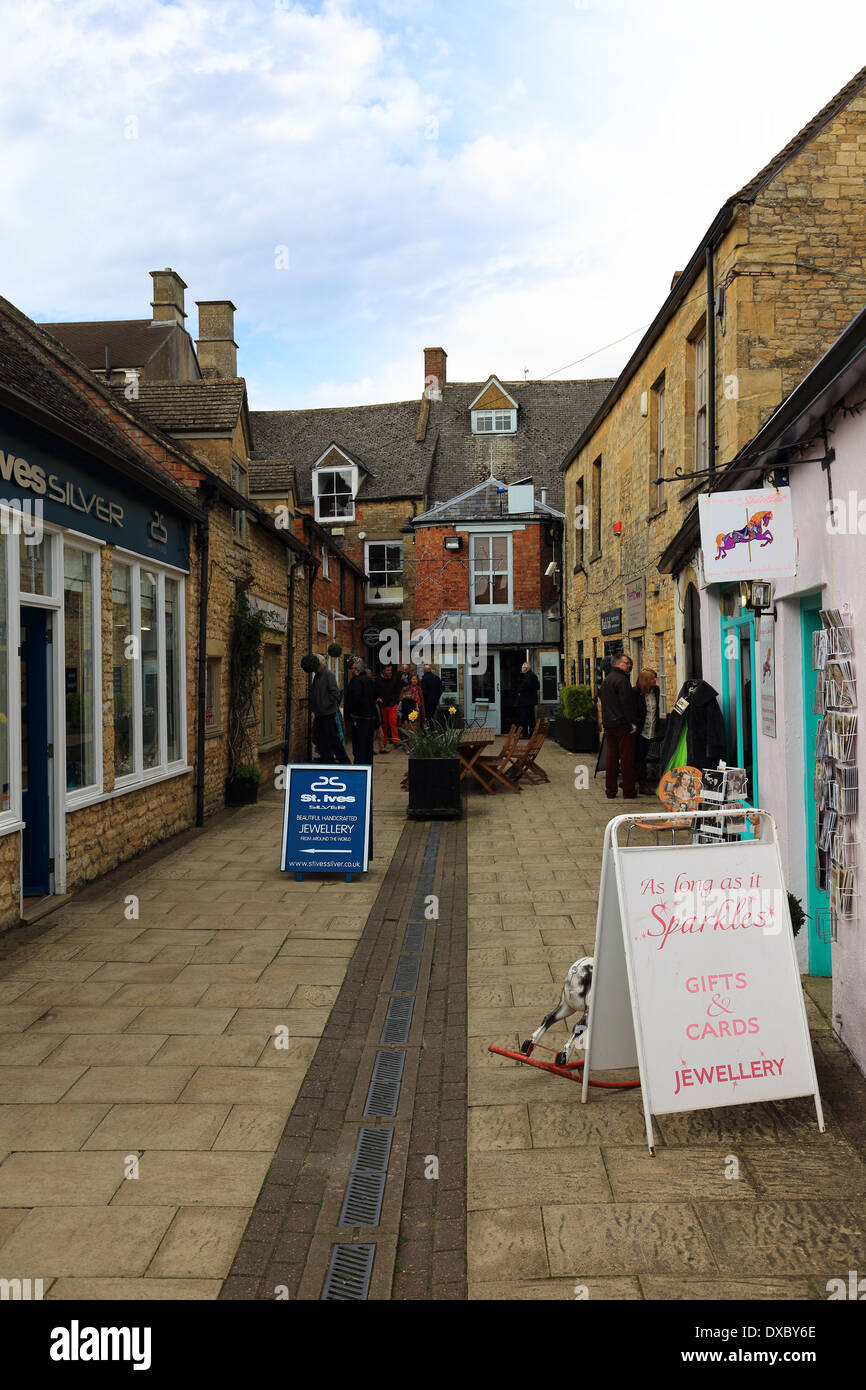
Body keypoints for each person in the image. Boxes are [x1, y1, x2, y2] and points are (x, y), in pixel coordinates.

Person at [599, 652, 637, 799]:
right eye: (627, 663)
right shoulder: (622, 680)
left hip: (609, 723)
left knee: (611, 757)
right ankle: (628, 790)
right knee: (626, 758)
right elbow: (626, 704)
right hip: (622, 724)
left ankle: (610, 790)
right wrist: (631, 723)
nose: (629, 666)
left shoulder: (606, 680)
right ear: (619, 664)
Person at [310, 655, 347, 763]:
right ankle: (327, 760)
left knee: (333, 738)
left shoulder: (328, 674)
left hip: (328, 713)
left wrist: (325, 705)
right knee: (322, 739)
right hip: (320, 714)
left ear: (320, 664)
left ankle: (344, 761)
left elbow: (335, 693)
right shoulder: (317, 676)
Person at [344, 658, 378, 765]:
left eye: (352, 669)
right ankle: (368, 763)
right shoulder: (370, 680)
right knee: (368, 743)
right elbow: (375, 696)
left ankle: (360, 764)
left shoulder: (356, 681)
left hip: (360, 717)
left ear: (356, 670)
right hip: (370, 716)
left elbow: (355, 697)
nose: (352, 671)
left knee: (359, 743)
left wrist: (352, 712)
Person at [633, 668, 659, 795]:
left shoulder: (656, 691)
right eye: (653, 678)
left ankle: (637, 780)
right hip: (640, 730)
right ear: (646, 680)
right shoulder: (635, 693)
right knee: (639, 757)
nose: (655, 680)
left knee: (643, 755)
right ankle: (642, 784)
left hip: (652, 729)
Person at [375, 662, 402, 751]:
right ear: (383, 671)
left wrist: (396, 701)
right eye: (387, 670)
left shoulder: (394, 679)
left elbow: (398, 691)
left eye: (390, 670)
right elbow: (375, 691)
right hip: (382, 705)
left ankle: (395, 741)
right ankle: (384, 742)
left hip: (392, 704)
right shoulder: (378, 680)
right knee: (384, 725)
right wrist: (377, 698)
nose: (389, 672)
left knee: (393, 723)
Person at [515, 661, 540, 737]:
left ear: (526, 668)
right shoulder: (534, 676)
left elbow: (525, 686)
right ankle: (532, 733)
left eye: (522, 667)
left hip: (525, 701)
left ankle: (525, 733)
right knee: (531, 718)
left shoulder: (527, 676)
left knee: (524, 718)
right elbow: (538, 686)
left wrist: (519, 690)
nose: (521, 669)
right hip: (531, 701)